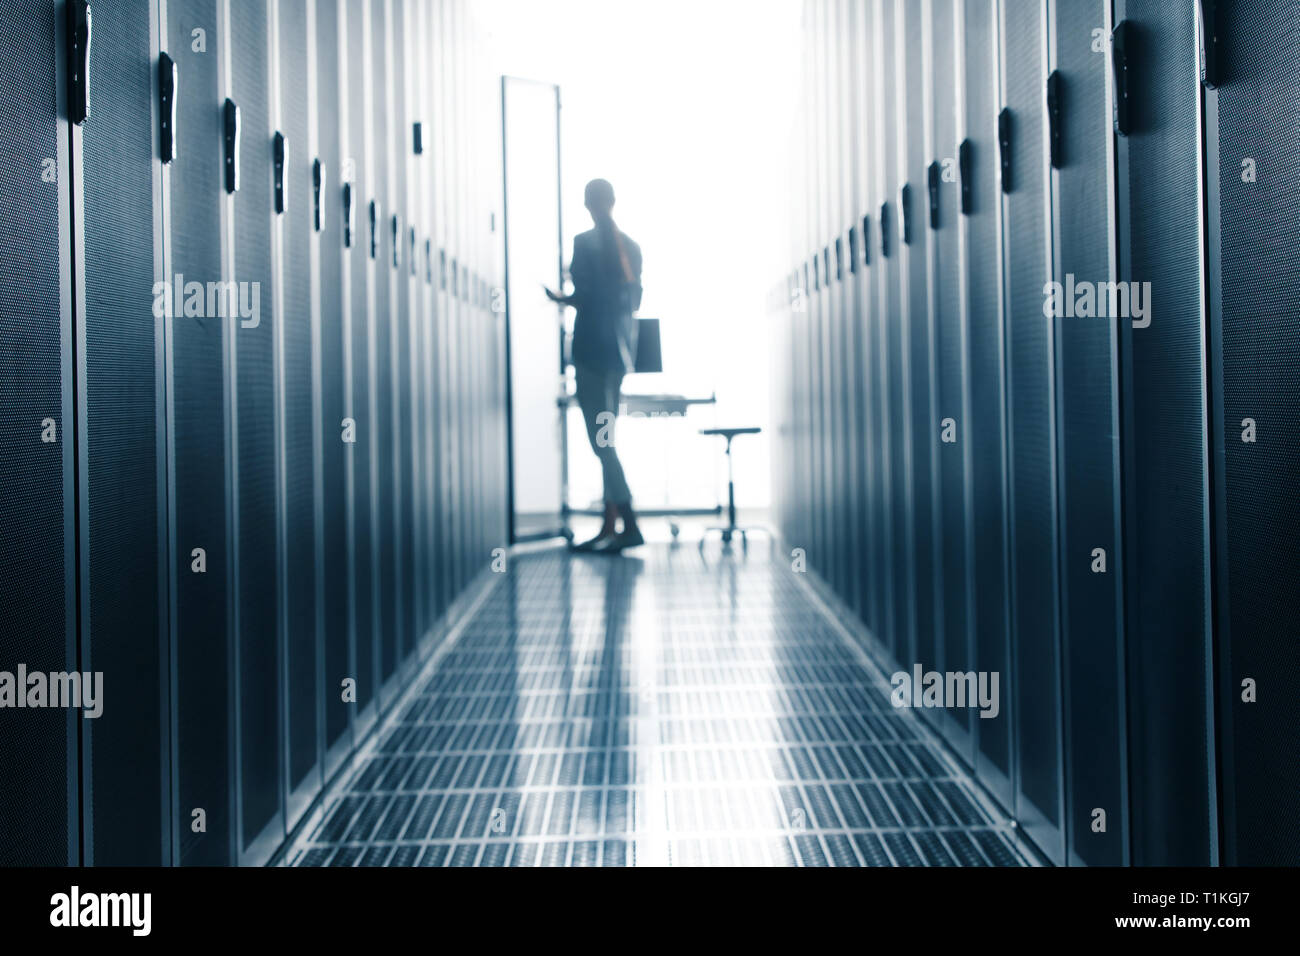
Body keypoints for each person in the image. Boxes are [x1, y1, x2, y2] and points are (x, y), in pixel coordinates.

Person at [545, 178, 644, 553]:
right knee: (607, 440)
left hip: (589, 355)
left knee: (602, 444)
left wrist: (561, 298)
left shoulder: (584, 243)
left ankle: (629, 522)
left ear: (588, 204)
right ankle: (610, 526)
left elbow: (584, 295)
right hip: (617, 356)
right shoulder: (630, 247)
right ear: (613, 202)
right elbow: (632, 301)